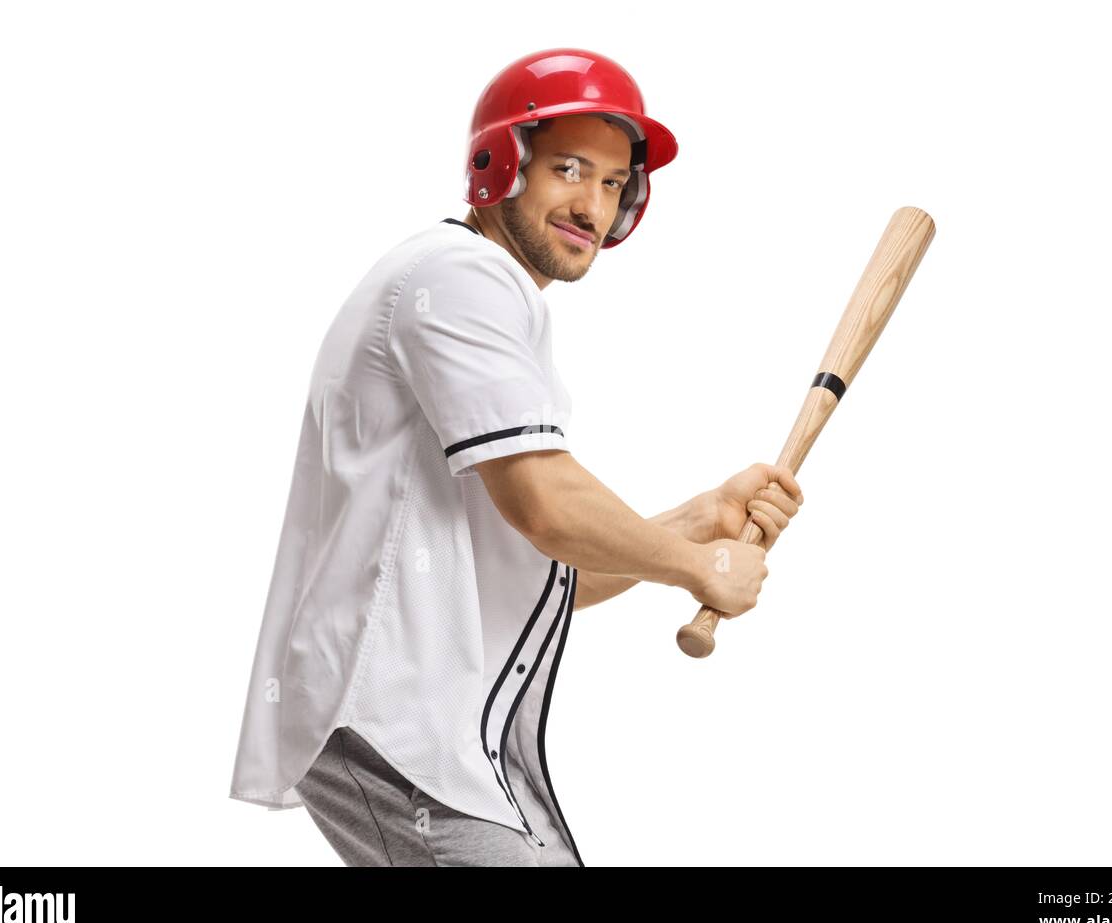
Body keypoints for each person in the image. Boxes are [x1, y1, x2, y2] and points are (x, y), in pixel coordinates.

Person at [228, 47, 805, 867]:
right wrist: (697, 567)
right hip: (390, 718)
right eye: (569, 169)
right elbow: (547, 505)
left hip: (443, 736)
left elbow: (539, 568)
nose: (593, 205)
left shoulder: (474, 292)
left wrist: (696, 519)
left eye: (613, 183)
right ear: (501, 164)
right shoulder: (460, 278)